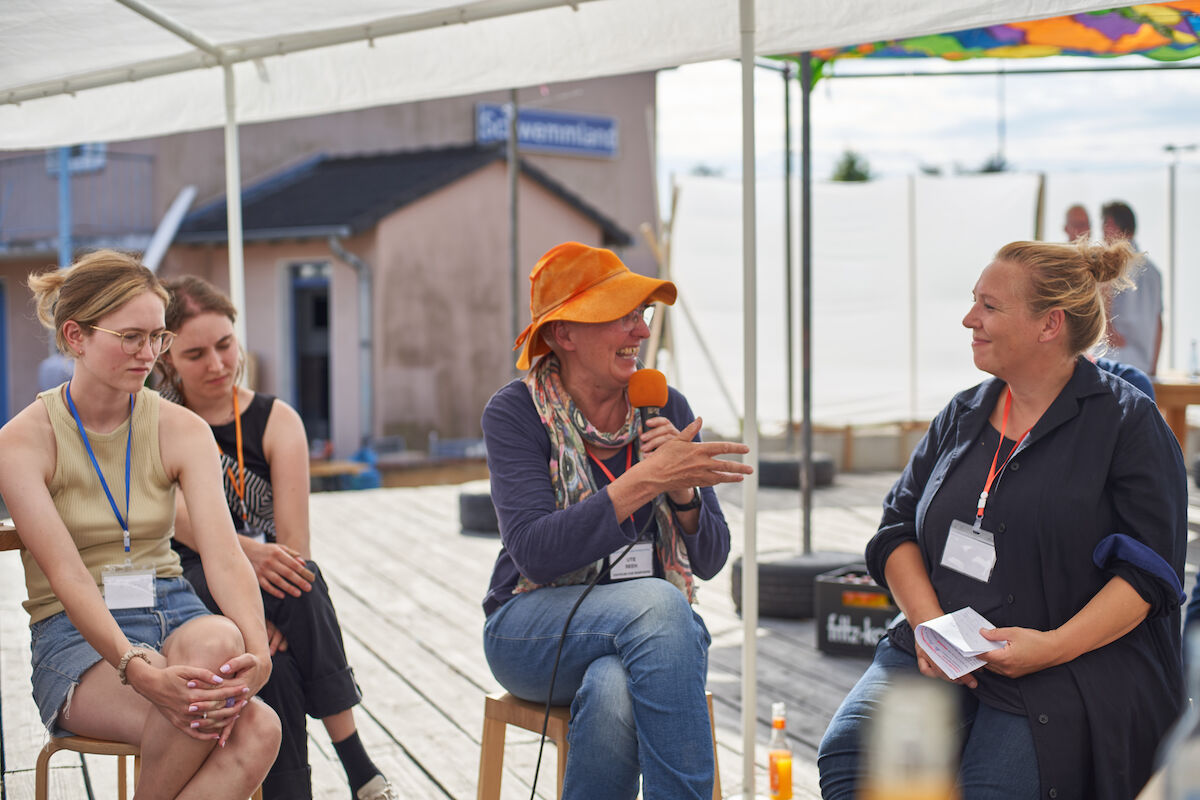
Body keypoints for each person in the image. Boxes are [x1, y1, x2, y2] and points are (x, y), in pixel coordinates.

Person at [817, 239, 1187, 800]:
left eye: (990, 306)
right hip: (939, 653)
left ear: (1049, 325)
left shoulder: (1126, 425)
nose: (970, 319)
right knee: (852, 764)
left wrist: (1052, 646)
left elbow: (1148, 575)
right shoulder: (964, 412)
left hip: (1068, 666)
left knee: (991, 788)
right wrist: (926, 624)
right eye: (974, 302)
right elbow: (895, 531)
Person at [0, 250, 281, 799]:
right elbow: (68, 577)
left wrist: (259, 652)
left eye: (158, 337)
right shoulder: (21, 442)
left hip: (174, 607)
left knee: (225, 641)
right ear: (75, 336)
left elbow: (224, 557)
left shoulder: (182, 428)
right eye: (131, 337)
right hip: (76, 636)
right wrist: (137, 667)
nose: (149, 354)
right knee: (256, 727)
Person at [481, 242, 752, 799]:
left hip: (649, 636)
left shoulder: (665, 405)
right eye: (621, 315)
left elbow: (711, 558)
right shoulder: (515, 412)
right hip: (531, 628)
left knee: (613, 689)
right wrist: (645, 481)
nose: (641, 332)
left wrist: (681, 492)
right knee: (658, 604)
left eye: (641, 314)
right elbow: (536, 551)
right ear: (564, 334)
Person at [156, 275, 395, 800]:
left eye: (224, 346)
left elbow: (295, 544)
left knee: (295, 607)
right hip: (188, 579)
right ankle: (360, 767)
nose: (217, 364)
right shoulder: (158, 421)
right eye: (196, 354)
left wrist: (266, 605)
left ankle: (339, 777)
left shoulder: (275, 420)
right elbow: (178, 522)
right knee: (276, 647)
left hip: (273, 580)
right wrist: (250, 614)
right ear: (167, 358)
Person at [1102, 200, 1163, 376]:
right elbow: (1159, 322)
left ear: (1110, 224)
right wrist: (1153, 366)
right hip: (1145, 365)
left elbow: (1103, 305)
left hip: (1117, 363)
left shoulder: (1112, 264)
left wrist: (1107, 331)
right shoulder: (1154, 271)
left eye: (1104, 225)